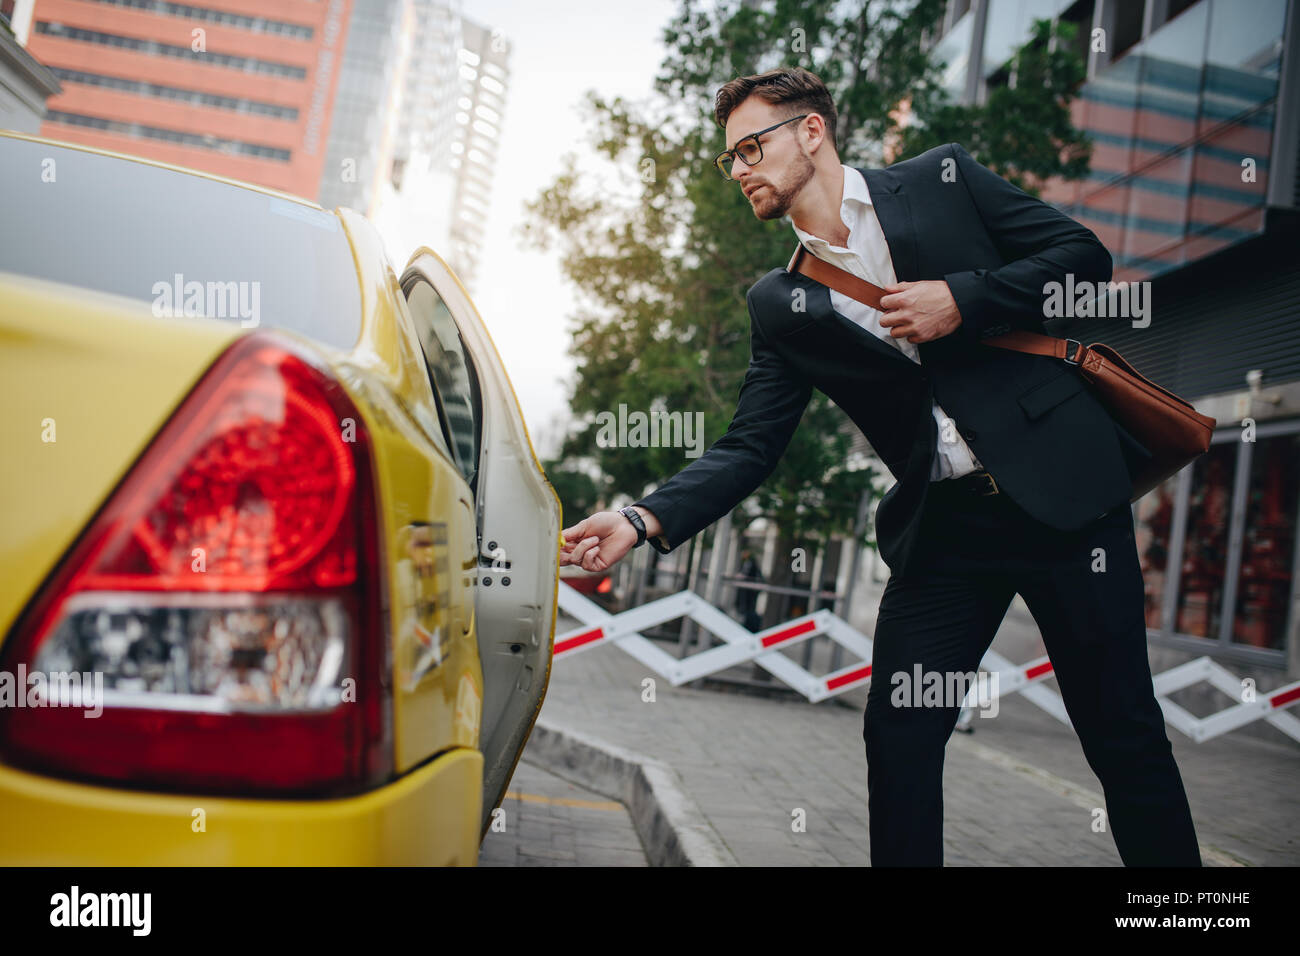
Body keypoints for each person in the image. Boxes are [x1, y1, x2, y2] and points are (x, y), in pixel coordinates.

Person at [559, 67, 1200, 867]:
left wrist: (965, 297)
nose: (741, 170)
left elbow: (1083, 257)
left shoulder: (942, 180)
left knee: (1122, 732)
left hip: (1065, 500)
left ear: (812, 132)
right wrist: (640, 517)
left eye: (752, 146)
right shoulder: (781, 302)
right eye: (731, 160)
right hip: (948, 529)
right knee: (898, 730)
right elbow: (749, 444)